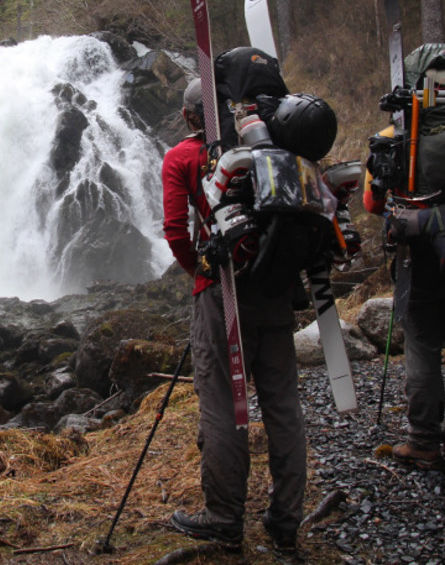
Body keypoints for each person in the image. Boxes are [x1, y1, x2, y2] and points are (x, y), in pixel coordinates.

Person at [161, 77, 306, 552]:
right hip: (276, 285)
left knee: (223, 404)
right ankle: (286, 520)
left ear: (189, 116)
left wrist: (199, 272)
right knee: (282, 404)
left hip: (222, 288)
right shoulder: (273, 148)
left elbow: (175, 231)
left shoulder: (182, 157)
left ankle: (224, 518)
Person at [363, 44, 445, 473]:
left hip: (417, 260)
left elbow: (372, 203)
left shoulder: (391, 139)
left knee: (422, 346)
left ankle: (423, 441)